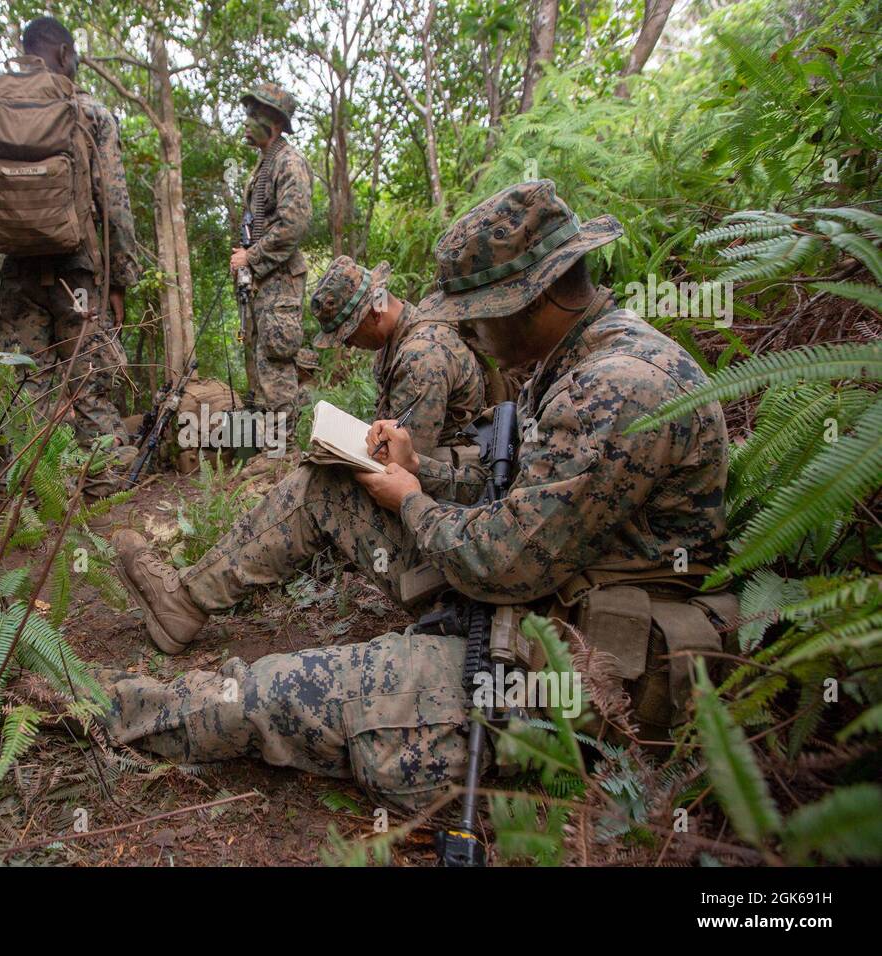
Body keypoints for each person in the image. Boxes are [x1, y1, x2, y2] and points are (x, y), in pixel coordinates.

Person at [97, 180, 731, 811]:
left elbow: (501, 561)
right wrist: (420, 470)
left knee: (289, 694)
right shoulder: (576, 363)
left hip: (580, 668)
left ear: (523, 300)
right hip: (534, 602)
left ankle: (105, 711)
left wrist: (411, 500)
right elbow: (516, 492)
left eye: (477, 317)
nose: (471, 335)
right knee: (329, 485)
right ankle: (183, 604)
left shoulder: (618, 387)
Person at [0, 15, 141, 489]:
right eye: (75, 55)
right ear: (62, 54)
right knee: (89, 386)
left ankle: (36, 507)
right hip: (79, 276)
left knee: (23, 389)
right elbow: (115, 204)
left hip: (16, 274)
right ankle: (105, 501)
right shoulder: (91, 113)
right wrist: (120, 279)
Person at [310, 255, 484, 458]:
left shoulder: (420, 357)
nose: (348, 345)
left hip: (447, 473)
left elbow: (404, 458)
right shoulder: (396, 340)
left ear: (376, 312)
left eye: (349, 334)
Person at [232, 83, 313, 441]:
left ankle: (282, 454)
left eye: (255, 114)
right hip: (263, 280)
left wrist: (251, 255)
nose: (247, 122)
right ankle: (270, 449)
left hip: (279, 279)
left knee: (276, 361)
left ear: (275, 121)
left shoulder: (288, 162)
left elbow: (293, 225)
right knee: (261, 362)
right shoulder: (264, 164)